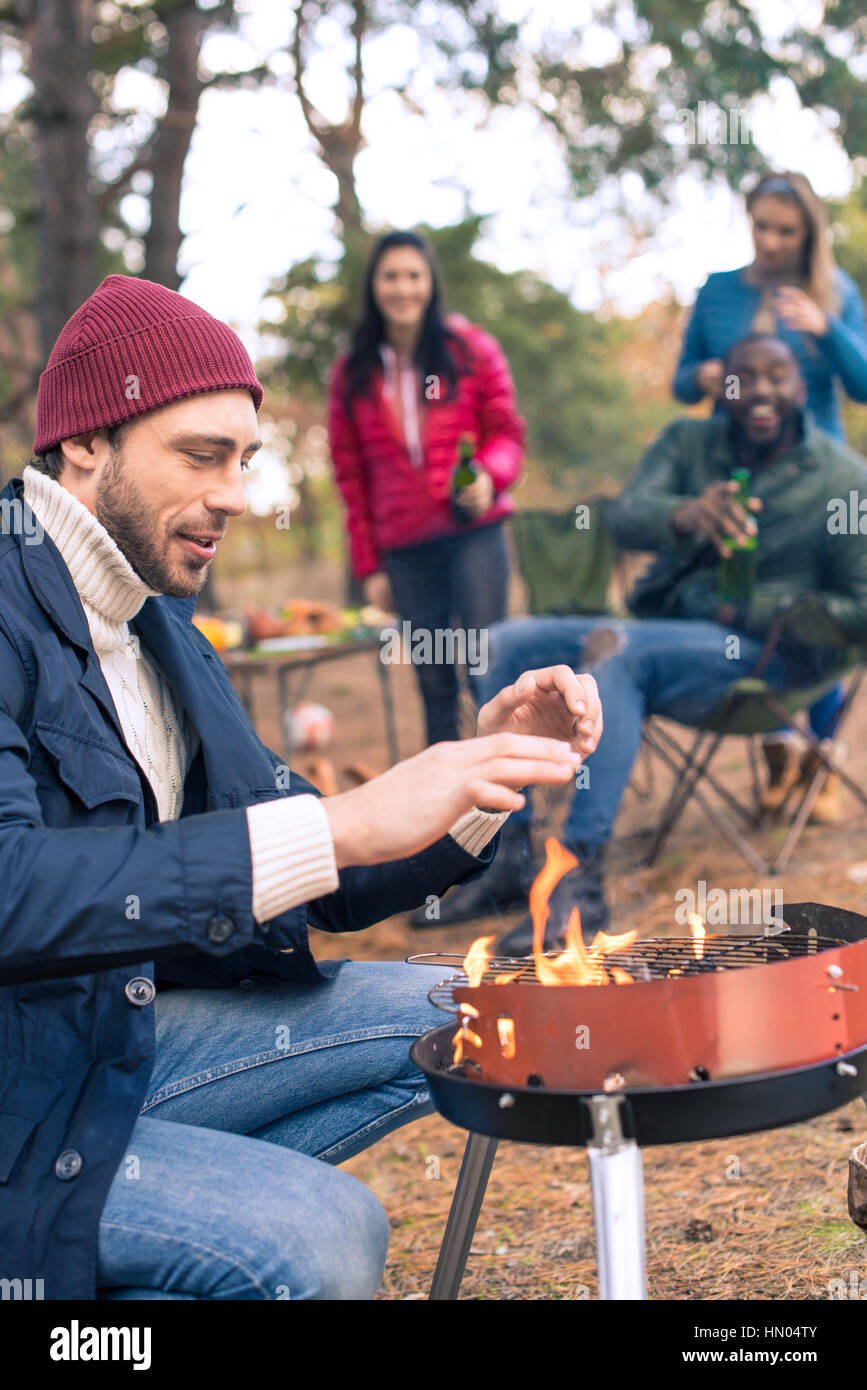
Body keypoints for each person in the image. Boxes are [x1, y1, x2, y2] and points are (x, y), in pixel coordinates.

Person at [0, 273, 603, 1300]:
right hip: (24, 1088)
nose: (238, 495)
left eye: (245, 460)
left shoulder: (162, 637)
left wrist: (478, 780)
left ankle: (169, 1232)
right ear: (85, 443)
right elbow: (16, 892)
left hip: (119, 1037)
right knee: (320, 1235)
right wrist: (338, 821)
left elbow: (309, 866)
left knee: (462, 1014)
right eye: (201, 456)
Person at [434, 334, 867, 947]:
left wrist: (748, 606)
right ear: (724, 385)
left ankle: (578, 882)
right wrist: (687, 514)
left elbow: (861, 608)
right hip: (663, 631)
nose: (762, 391)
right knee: (506, 642)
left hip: (763, 661)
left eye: (780, 376)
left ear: (802, 387)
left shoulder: (842, 478)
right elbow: (628, 514)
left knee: (616, 649)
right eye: (747, 376)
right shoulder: (688, 443)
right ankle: (511, 861)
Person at [673, 170, 867, 819]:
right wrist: (701, 375)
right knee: (748, 600)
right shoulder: (718, 292)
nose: (772, 241)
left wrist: (826, 327)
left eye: (786, 231)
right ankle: (777, 748)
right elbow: (681, 381)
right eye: (762, 227)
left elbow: (862, 382)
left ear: (807, 232)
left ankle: (824, 762)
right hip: (736, 472)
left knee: (817, 610)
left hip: (816, 477)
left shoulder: (832, 291)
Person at [328, 230, 524, 745]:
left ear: (430, 282)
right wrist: (370, 566)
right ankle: (448, 824)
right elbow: (351, 478)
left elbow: (507, 434)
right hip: (405, 551)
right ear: (373, 286)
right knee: (434, 688)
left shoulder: (470, 349)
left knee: (491, 676)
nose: (403, 288)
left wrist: (488, 475)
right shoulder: (352, 374)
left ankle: (513, 822)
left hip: (475, 535)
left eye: (413, 275)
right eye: (390, 276)